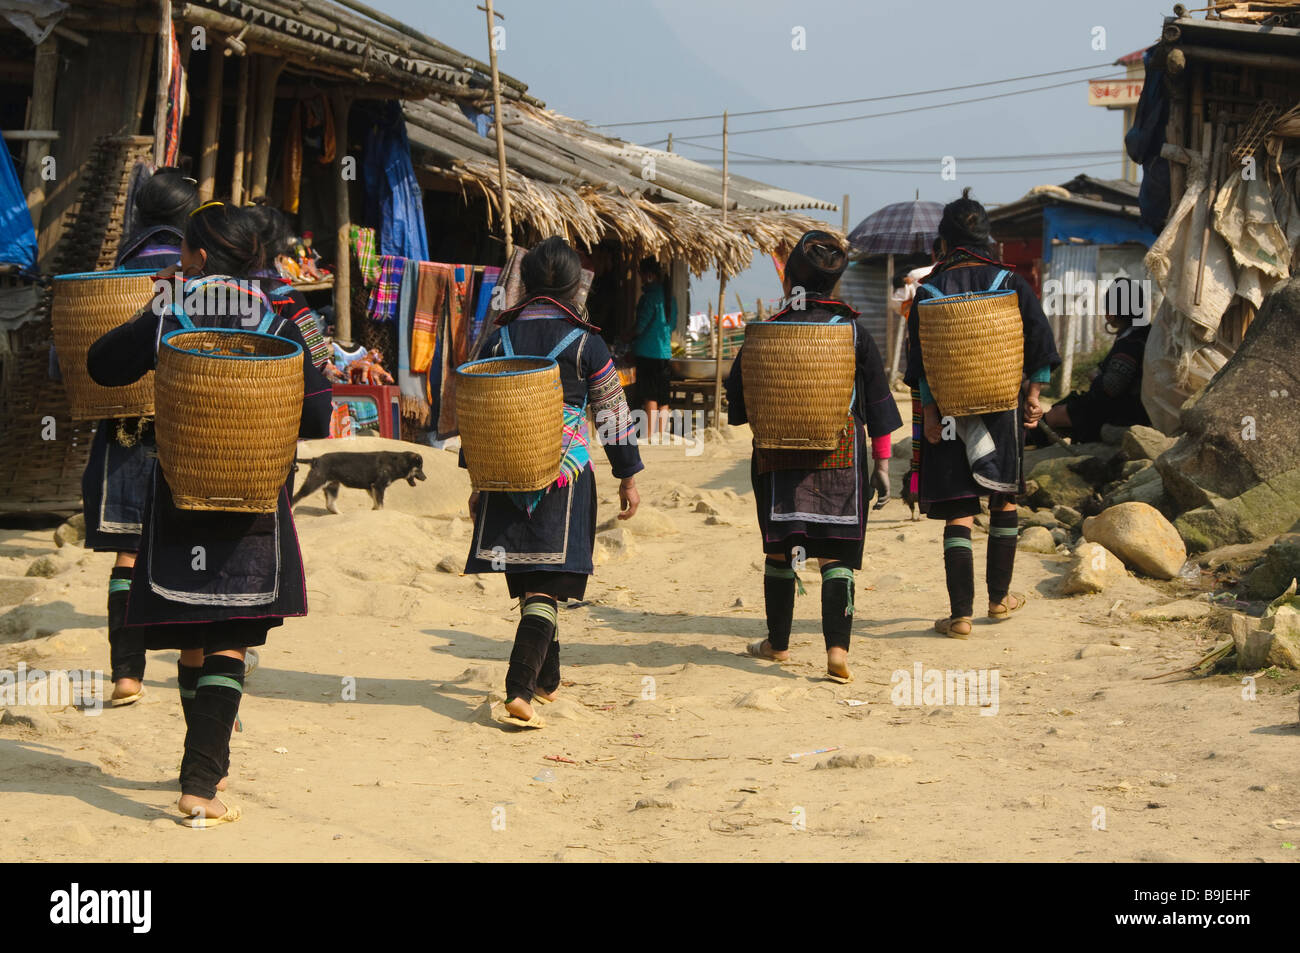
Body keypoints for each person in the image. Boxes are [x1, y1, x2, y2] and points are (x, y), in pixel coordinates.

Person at [87, 202, 332, 826]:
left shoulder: (174, 309)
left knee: (194, 635)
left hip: (180, 492)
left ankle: (199, 772)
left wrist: (154, 313)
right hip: (254, 493)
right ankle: (201, 783)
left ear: (197, 256)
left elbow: (103, 365)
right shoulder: (288, 313)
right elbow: (315, 413)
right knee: (229, 638)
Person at [463, 237, 643, 728]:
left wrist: (477, 479)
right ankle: (519, 690)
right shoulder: (587, 342)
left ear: (528, 282)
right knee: (546, 587)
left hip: (504, 470)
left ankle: (546, 681)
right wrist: (627, 475)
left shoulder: (500, 339)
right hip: (563, 475)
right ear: (572, 285)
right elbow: (612, 415)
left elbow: (478, 406)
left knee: (534, 583)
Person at [725, 231, 900, 684]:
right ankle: (837, 651)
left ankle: (777, 645)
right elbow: (878, 404)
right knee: (836, 555)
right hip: (841, 454)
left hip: (778, 459)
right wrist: (881, 464)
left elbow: (738, 404)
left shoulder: (766, 332)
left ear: (790, 282)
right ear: (835, 282)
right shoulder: (854, 332)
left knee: (781, 551)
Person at [904, 189, 1060, 639]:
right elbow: (1040, 345)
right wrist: (1033, 396)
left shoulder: (929, 290)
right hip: (1001, 408)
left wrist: (931, 415)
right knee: (1004, 499)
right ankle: (999, 600)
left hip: (950, 411)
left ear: (945, 241)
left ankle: (961, 615)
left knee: (959, 509)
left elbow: (922, 365)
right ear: (986, 236)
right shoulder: (1009, 282)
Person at [78, 169, 199, 707]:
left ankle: (126, 673)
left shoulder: (113, 276)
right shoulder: (198, 278)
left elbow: (73, 359)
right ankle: (199, 691)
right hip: (192, 429)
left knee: (128, 552)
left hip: (126, 427)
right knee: (196, 554)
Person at [1040, 278, 1151, 442]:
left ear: (1113, 312)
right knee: (1066, 407)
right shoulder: (1142, 333)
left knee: (1054, 416)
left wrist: (1095, 377)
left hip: (1123, 413)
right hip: (1127, 407)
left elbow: (1111, 388)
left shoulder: (1131, 343)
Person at [632, 257, 676, 440]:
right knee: (663, 397)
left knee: (650, 396)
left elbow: (640, 326)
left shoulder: (649, 297)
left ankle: (649, 435)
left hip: (646, 353)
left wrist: (629, 335)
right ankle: (661, 434)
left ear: (649, 275)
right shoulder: (669, 298)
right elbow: (672, 326)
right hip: (664, 353)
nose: (641, 279)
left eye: (641, 275)